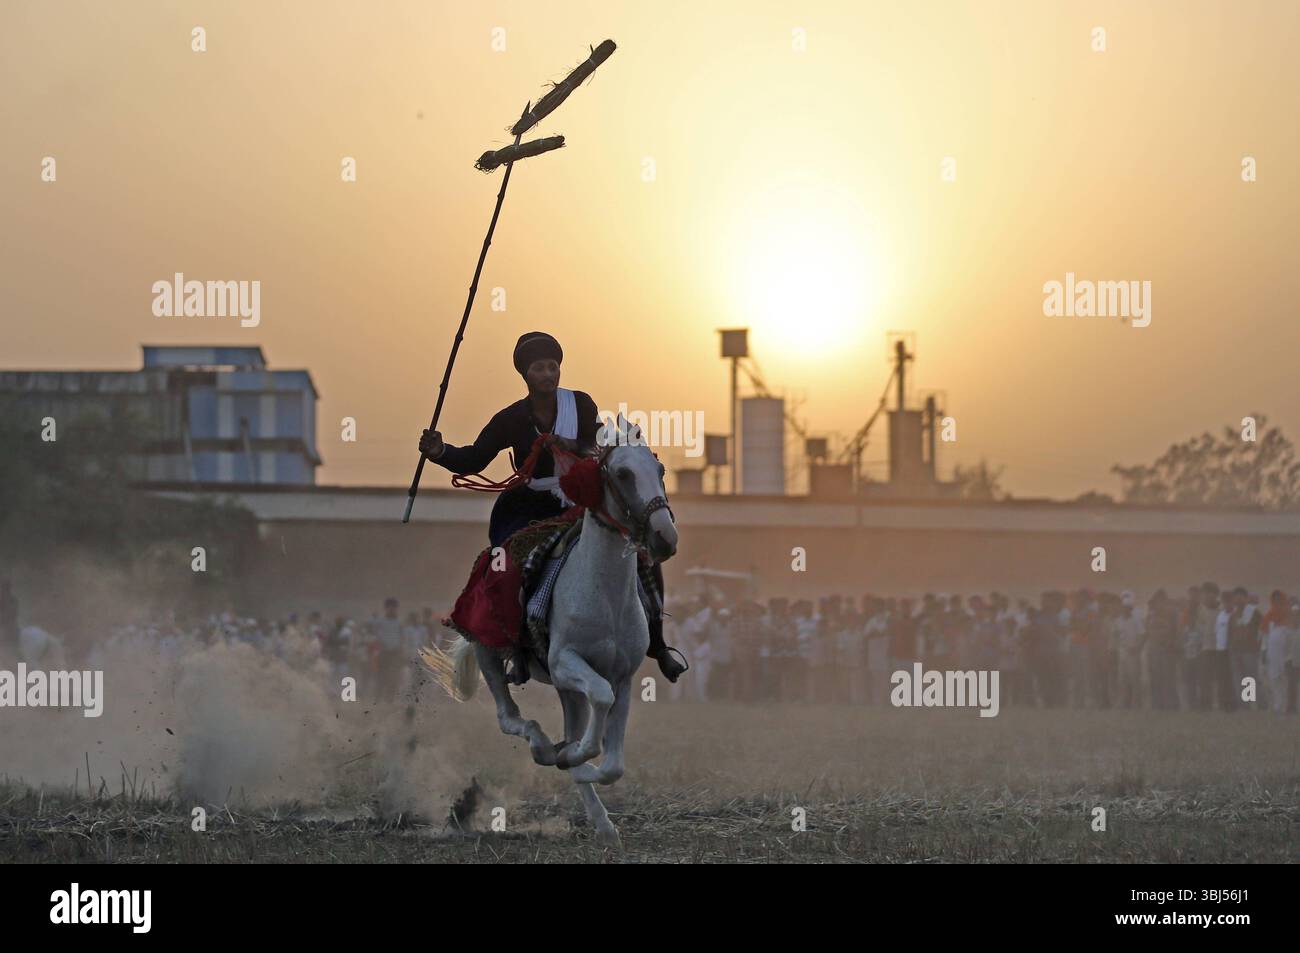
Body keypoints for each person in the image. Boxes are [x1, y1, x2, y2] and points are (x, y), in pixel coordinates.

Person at [418, 331, 685, 683]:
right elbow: (475, 459)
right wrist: (440, 452)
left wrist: (569, 442)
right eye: (539, 368)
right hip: (528, 508)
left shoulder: (581, 404)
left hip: (580, 499)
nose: (547, 373)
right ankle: (518, 647)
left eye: (552, 366)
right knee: (508, 566)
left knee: (640, 555)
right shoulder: (510, 419)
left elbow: (598, 444)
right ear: (526, 375)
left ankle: (657, 642)